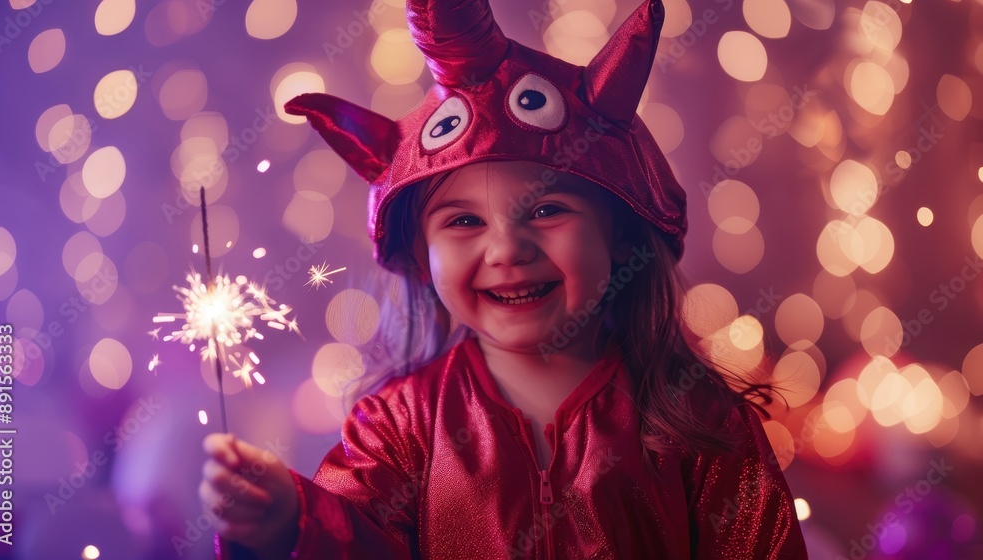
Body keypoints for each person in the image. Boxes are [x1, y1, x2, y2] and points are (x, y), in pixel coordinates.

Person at [200, 0, 809, 558]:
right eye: (464, 220)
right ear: (421, 255)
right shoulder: (398, 427)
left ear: (620, 232)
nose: (506, 248)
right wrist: (291, 522)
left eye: (547, 210)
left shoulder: (700, 422)